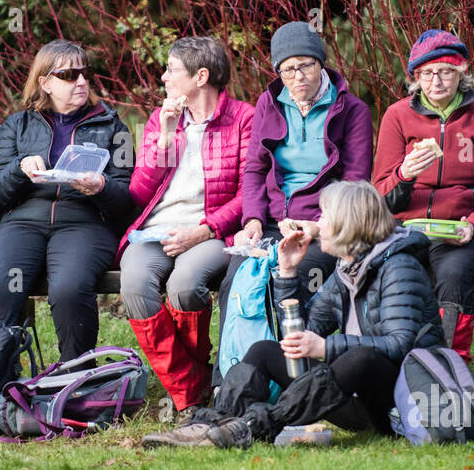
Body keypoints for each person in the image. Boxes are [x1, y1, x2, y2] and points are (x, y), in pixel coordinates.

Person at [143, 180, 443, 448]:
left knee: (361, 358)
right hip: (349, 396)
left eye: (325, 217)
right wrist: (287, 272)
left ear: (347, 223)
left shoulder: (399, 267)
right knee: (264, 351)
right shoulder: (348, 269)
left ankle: (253, 426)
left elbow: (401, 346)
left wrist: (326, 348)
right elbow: (299, 335)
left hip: (397, 402)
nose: (318, 224)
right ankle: (210, 425)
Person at [118, 36, 254, 415]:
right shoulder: (162, 120)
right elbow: (139, 193)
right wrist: (164, 136)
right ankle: (193, 388)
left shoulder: (244, 118)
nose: (163, 77)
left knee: (184, 284)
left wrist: (205, 229)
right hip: (157, 229)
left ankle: (189, 392)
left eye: (171, 70)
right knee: (134, 284)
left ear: (201, 77)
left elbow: (249, 192)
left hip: (212, 229)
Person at [0, 39, 134, 361]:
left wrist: (101, 186)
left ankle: (73, 381)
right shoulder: (17, 125)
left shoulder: (113, 127)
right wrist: (20, 170)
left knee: (69, 290)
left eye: (85, 73)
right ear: (45, 82)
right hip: (22, 222)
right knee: (2, 288)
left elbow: (128, 200)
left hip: (84, 223)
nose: (82, 81)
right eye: (69, 75)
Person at [371, 30, 474, 362]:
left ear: (461, 73)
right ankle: (393, 360)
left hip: (465, 230)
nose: (436, 81)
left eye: (445, 72)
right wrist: (404, 174)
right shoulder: (397, 116)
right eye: (426, 73)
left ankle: (451, 363)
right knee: (388, 267)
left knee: (453, 273)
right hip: (407, 228)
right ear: (415, 78)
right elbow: (380, 192)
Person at [217, 20, 374, 337]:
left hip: (325, 228)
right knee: (236, 281)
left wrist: (320, 225)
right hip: (274, 223)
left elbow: (356, 184)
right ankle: (233, 378)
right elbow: (255, 169)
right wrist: (252, 221)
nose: (298, 77)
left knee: (297, 279)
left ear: (321, 64)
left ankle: (298, 369)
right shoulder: (268, 104)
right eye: (288, 70)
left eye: (306, 66)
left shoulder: (352, 110)